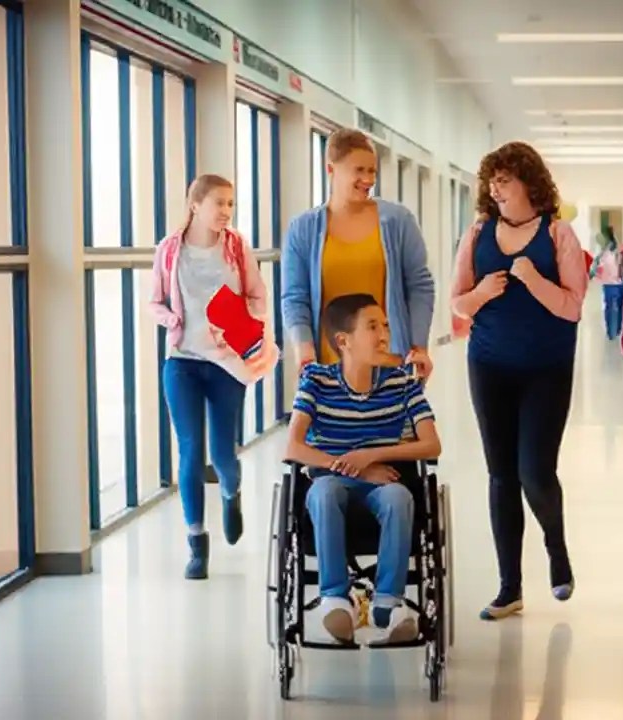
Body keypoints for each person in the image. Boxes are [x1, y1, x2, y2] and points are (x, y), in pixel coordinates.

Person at [450, 142, 588, 620]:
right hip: (489, 366)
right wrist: (482, 293)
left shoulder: (558, 234)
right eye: (492, 181)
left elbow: (572, 307)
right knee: (500, 474)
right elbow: (458, 303)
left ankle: (556, 547)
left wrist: (532, 279)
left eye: (505, 180)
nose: (496, 189)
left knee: (535, 471)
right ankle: (509, 587)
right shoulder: (477, 234)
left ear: (529, 183)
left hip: (547, 369)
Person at [286, 294, 442, 645]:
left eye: (385, 325)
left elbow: (432, 445)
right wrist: (352, 469)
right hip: (330, 481)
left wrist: (369, 456)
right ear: (344, 341)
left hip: (382, 482)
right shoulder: (316, 380)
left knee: (399, 497)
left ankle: (386, 605)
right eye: (373, 327)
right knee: (324, 491)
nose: (384, 334)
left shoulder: (402, 382)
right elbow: (293, 447)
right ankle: (336, 601)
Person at [148, 174, 279, 580]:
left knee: (223, 453)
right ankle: (197, 544)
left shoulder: (237, 247)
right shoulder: (169, 250)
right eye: (219, 203)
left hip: (227, 363)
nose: (226, 211)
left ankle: (230, 492)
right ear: (195, 205)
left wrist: (238, 320)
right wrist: (171, 320)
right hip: (182, 361)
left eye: (230, 204)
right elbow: (154, 302)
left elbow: (258, 296)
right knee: (190, 450)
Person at [281, 129, 435, 377]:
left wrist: (419, 346)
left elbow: (419, 285)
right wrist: (304, 349)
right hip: (328, 369)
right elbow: (295, 297)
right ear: (331, 169)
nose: (368, 179)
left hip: (390, 363)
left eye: (372, 171)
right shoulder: (303, 229)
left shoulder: (398, 221)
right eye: (359, 170)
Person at [591, 226, 623, 339]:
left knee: (611, 307)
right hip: (620, 281)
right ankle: (617, 330)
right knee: (619, 307)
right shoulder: (617, 248)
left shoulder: (606, 251)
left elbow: (599, 266)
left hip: (610, 283)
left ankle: (612, 332)